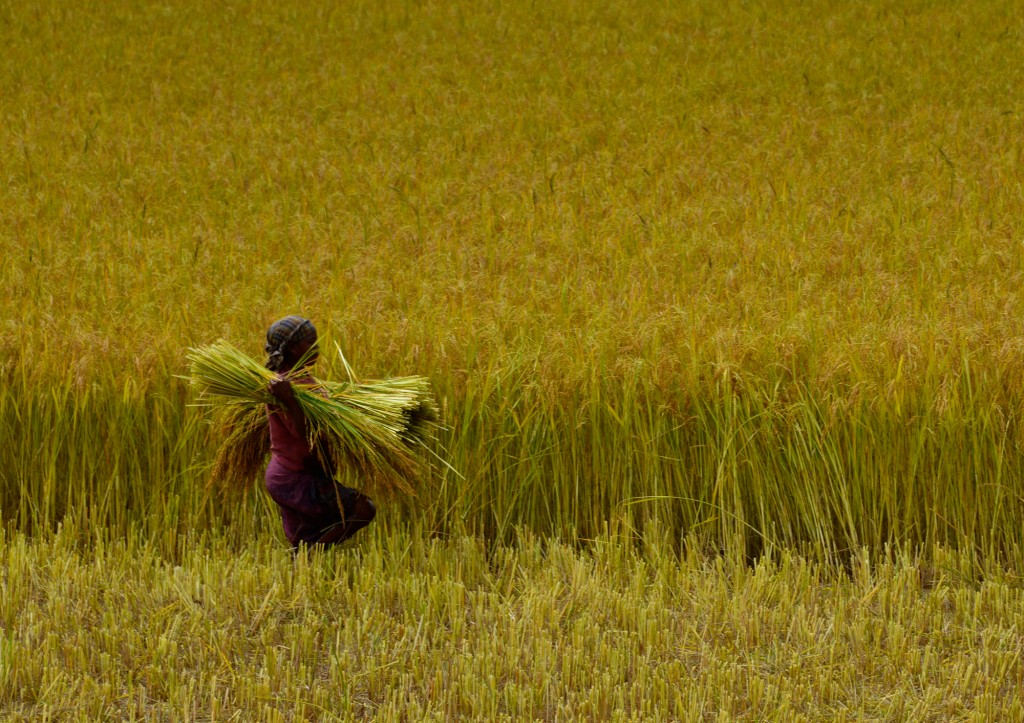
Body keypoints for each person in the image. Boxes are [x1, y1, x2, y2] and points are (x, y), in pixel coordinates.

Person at [263, 315, 376, 549]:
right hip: (292, 477)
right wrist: (290, 400)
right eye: (310, 344)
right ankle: (310, 558)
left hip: (299, 474)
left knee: (303, 539)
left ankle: (303, 568)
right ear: (293, 349)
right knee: (363, 509)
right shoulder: (281, 387)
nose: (317, 349)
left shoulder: (304, 380)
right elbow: (303, 433)